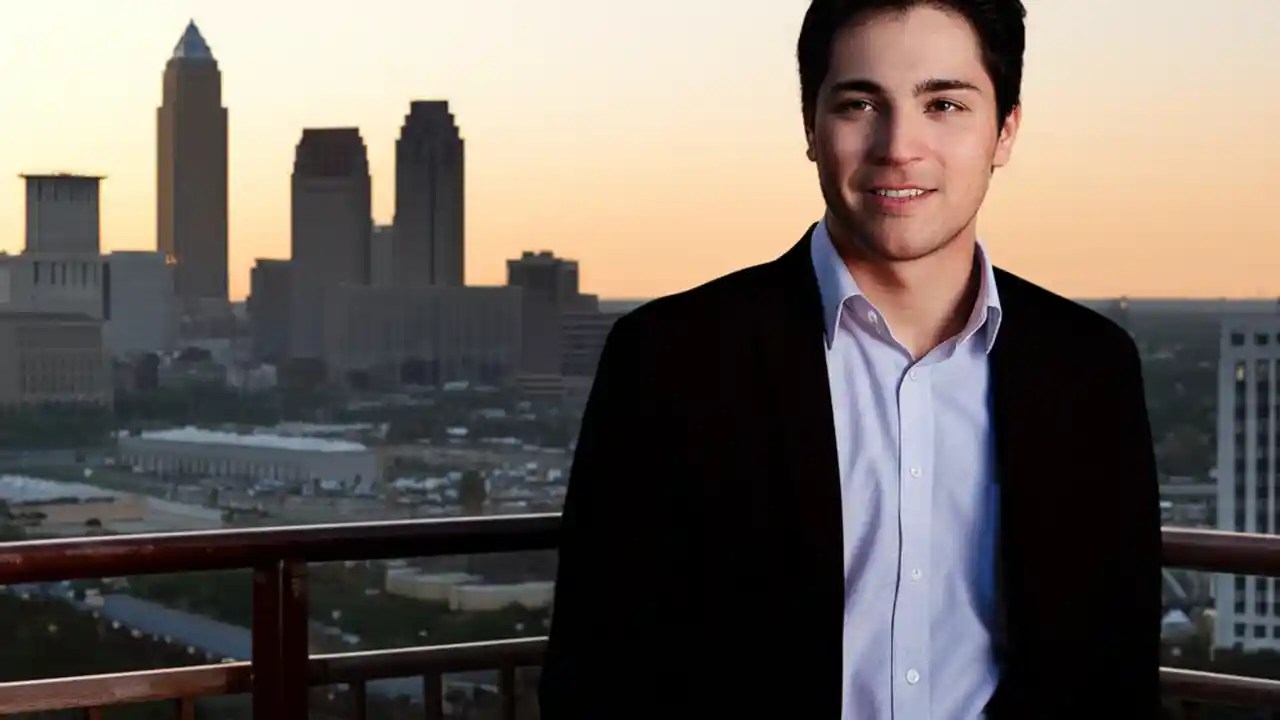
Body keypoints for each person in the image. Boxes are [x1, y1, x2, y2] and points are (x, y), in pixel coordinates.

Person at [539, 0, 1162, 717]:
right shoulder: (669, 359)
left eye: (945, 105)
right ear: (811, 128)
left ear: (1005, 131)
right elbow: (597, 670)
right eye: (860, 104)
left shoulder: (1091, 369)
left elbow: (1117, 669)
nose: (899, 147)